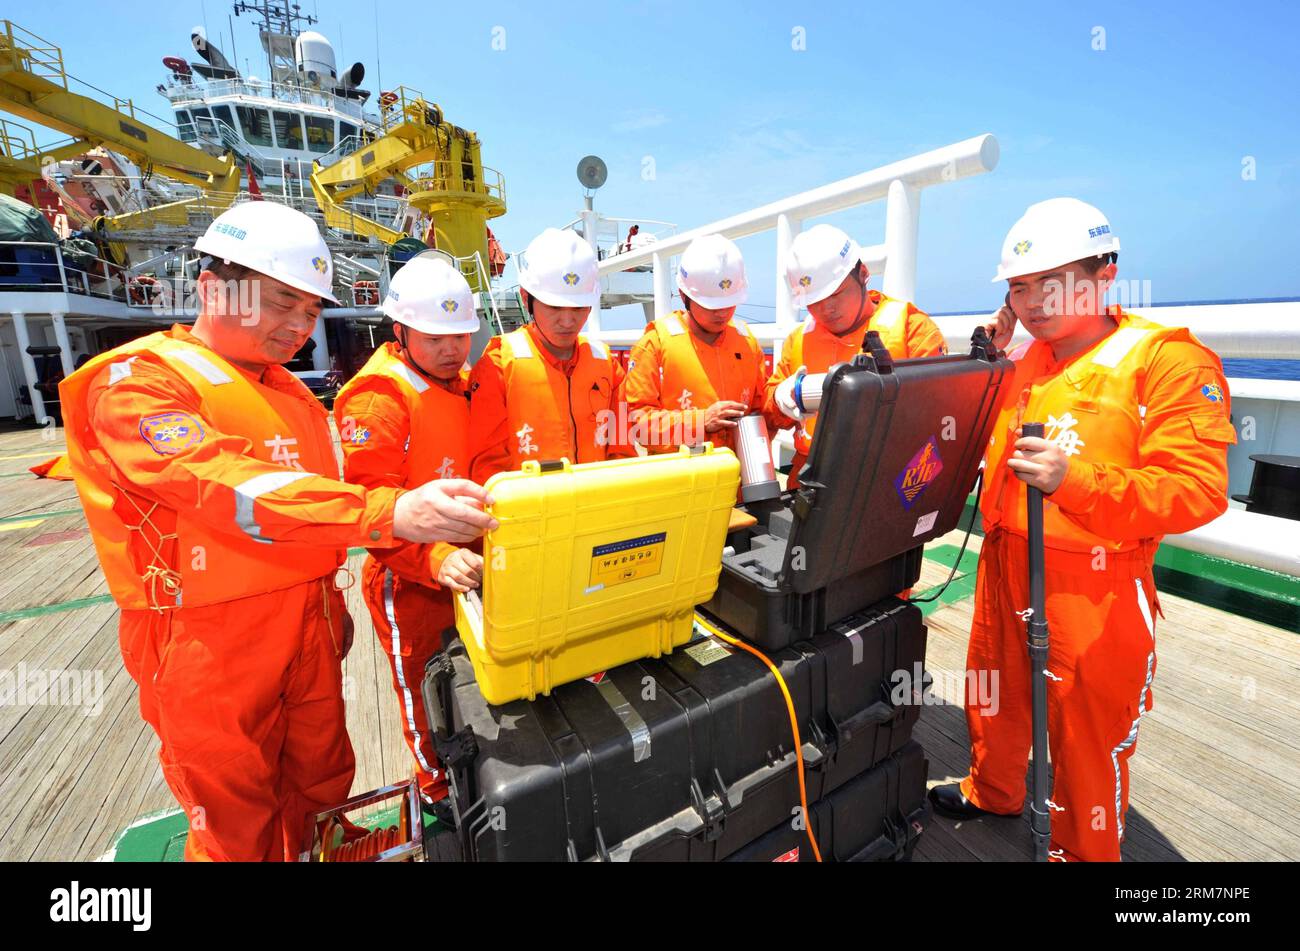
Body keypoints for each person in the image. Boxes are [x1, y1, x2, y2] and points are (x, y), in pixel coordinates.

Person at [58, 201, 495, 861]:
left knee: (320, 768)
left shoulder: (289, 394)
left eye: (312, 310)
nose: (300, 326)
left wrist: (329, 609)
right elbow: (217, 481)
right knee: (234, 807)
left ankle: (325, 845)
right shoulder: (139, 384)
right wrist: (391, 514)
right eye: (281, 304)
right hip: (208, 640)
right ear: (213, 287)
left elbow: (307, 507)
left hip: (309, 622)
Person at [928, 198, 1236, 862]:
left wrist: (1077, 480)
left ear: (1105, 274)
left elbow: (1199, 488)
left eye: (1053, 280)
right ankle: (993, 787)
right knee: (995, 686)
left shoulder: (1167, 362)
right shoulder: (1020, 361)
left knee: (1086, 734)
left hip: (1095, 582)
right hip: (1006, 555)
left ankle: (1083, 851)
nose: (1034, 299)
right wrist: (988, 358)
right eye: (1020, 285)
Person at [333, 255, 481, 809]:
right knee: (424, 685)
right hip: (410, 578)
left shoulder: (463, 385)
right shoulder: (378, 398)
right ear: (401, 331)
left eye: (460, 336)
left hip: (468, 566)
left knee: (471, 674)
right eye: (435, 337)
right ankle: (436, 788)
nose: (451, 349)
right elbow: (374, 507)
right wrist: (435, 556)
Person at [765, 224, 948, 486]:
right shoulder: (798, 341)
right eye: (814, 301)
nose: (826, 308)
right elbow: (770, 412)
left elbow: (945, 417)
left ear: (862, 274)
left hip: (888, 477)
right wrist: (780, 396)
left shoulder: (912, 329)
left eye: (836, 293)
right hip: (810, 476)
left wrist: (911, 493)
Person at [469, 228, 632, 482]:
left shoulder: (608, 365)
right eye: (555, 307)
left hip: (597, 504)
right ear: (527, 299)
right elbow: (486, 465)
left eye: (578, 307)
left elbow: (622, 447)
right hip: (529, 512)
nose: (567, 320)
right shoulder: (498, 365)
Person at [622, 233, 771, 454]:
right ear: (684, 296)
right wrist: (700, 421)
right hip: (680, 480)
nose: (722, 313)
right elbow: (638, 423)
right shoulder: (654, 345)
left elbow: (763, 409)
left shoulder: (747, 343)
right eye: (711, 306)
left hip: (737, 476)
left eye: (730, 304)